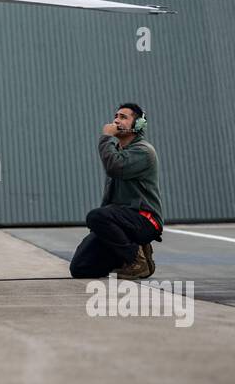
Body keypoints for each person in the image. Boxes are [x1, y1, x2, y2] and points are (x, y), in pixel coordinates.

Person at [69, 103, 164, 279]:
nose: (116, 120)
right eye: (116, 116)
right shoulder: (117, 151)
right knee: (81, 268)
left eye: (123, 117)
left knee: (96, 216)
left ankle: (138, 259)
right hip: (120, 221)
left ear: (138, 125)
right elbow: (109, 200)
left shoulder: (143, 151)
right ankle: (125, 256)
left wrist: (106, 137)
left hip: (144, 219)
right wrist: (103, 232)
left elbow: (114, 167)